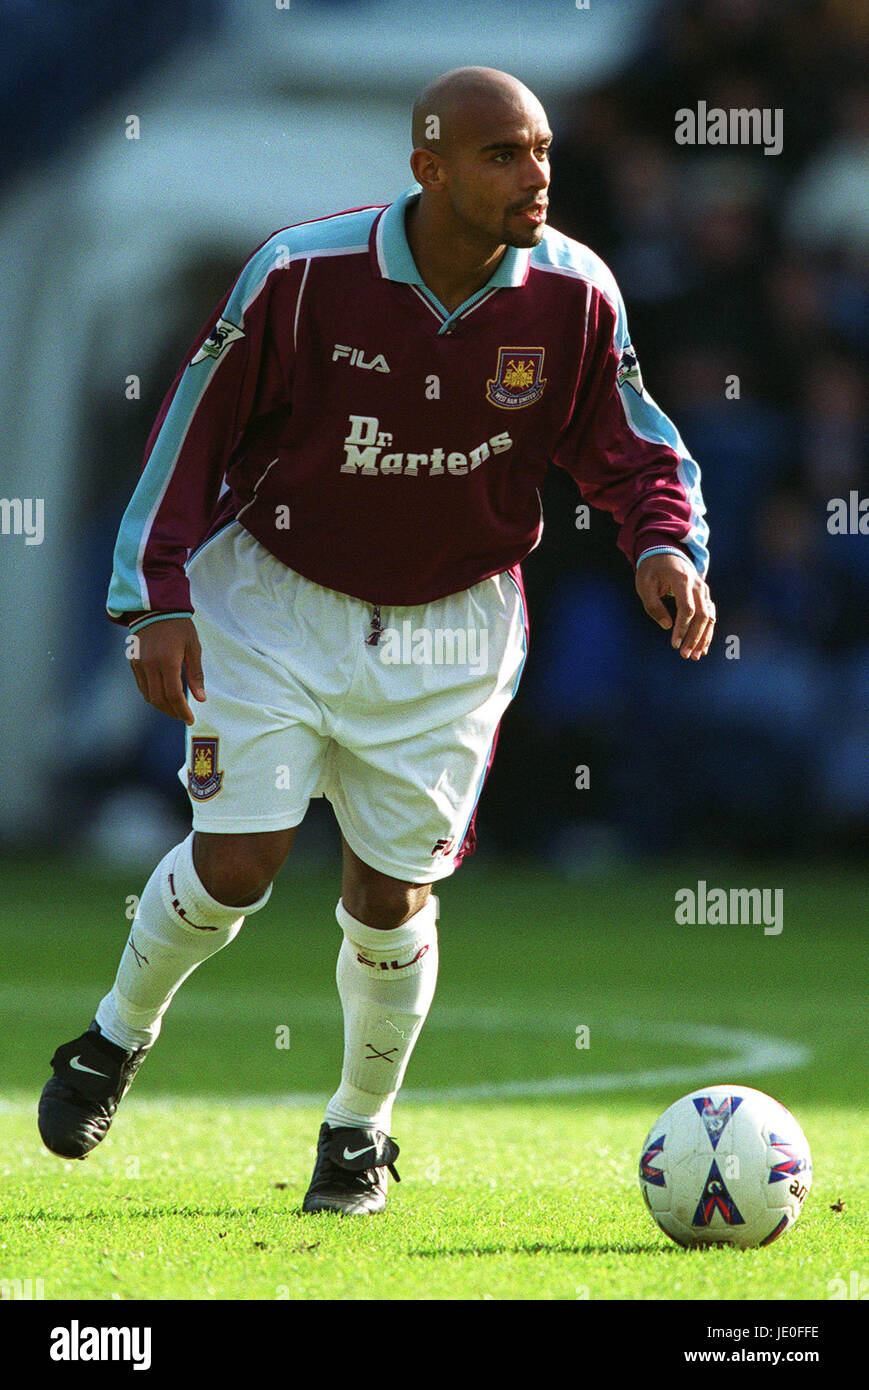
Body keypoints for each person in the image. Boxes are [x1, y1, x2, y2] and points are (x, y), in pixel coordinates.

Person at [38, 67, 714, 1214]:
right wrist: (152, 599)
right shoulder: (301, 278)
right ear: (428, 169)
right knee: (235, 866)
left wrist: (664, 544)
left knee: (390, 896)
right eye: (502, 154)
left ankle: (357, 1132)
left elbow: (636, 445)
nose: (534, 174)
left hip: (450, 625)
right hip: (271, 600)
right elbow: (189, 437)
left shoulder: (573, 293)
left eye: (542, 150)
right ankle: (113, 1037)